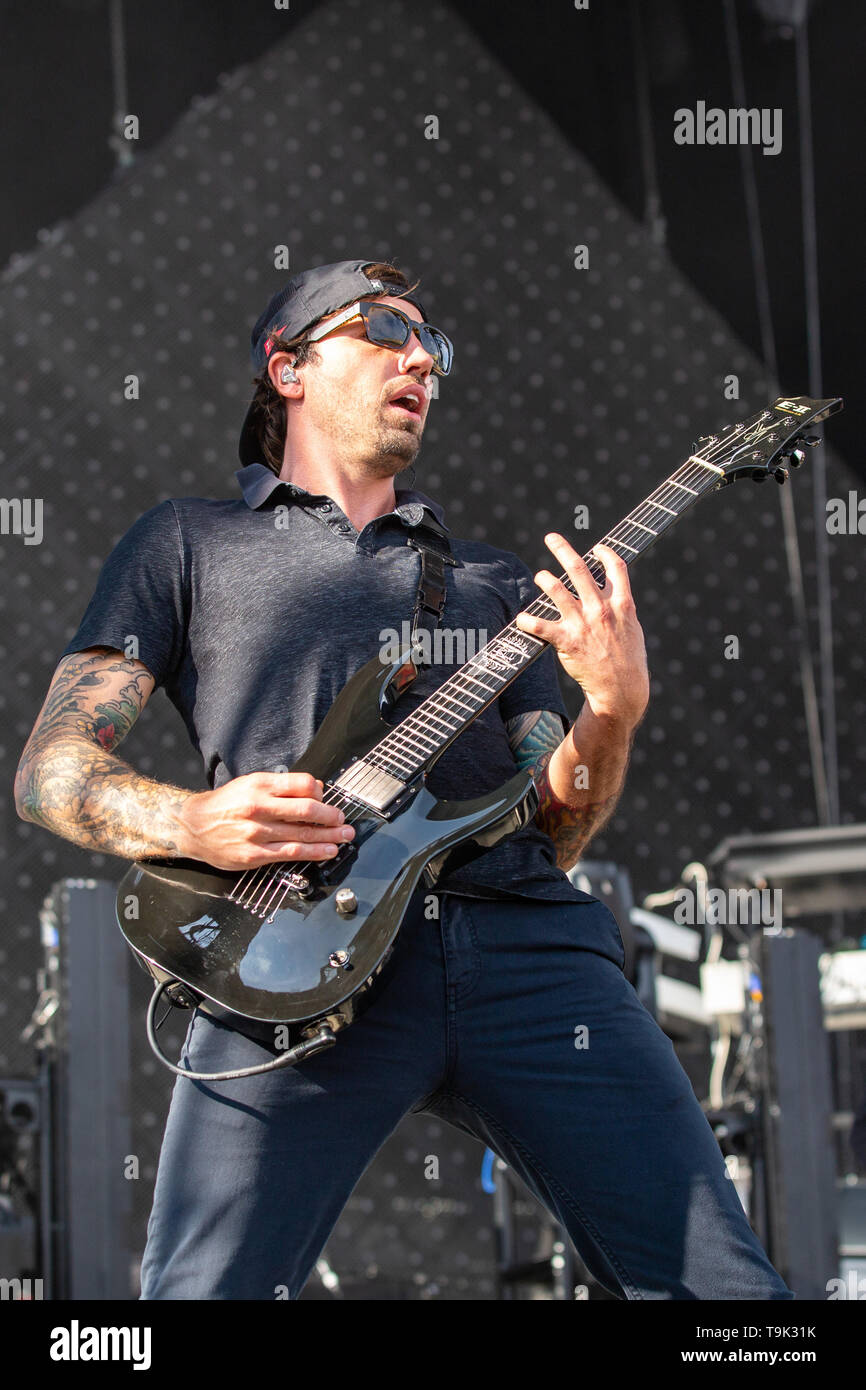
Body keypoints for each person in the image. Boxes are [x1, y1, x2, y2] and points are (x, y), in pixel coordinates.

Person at [14, 258, 793, 1301]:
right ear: (286, 366)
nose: (421, 356)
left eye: (434, 346)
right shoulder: (187, 543)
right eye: (382, 329)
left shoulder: (496, 584)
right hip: (291, 950)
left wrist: (611, 712)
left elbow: (553, 830)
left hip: (525, 950)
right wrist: (193, 819)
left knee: (723, 1291)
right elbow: (50, 772)